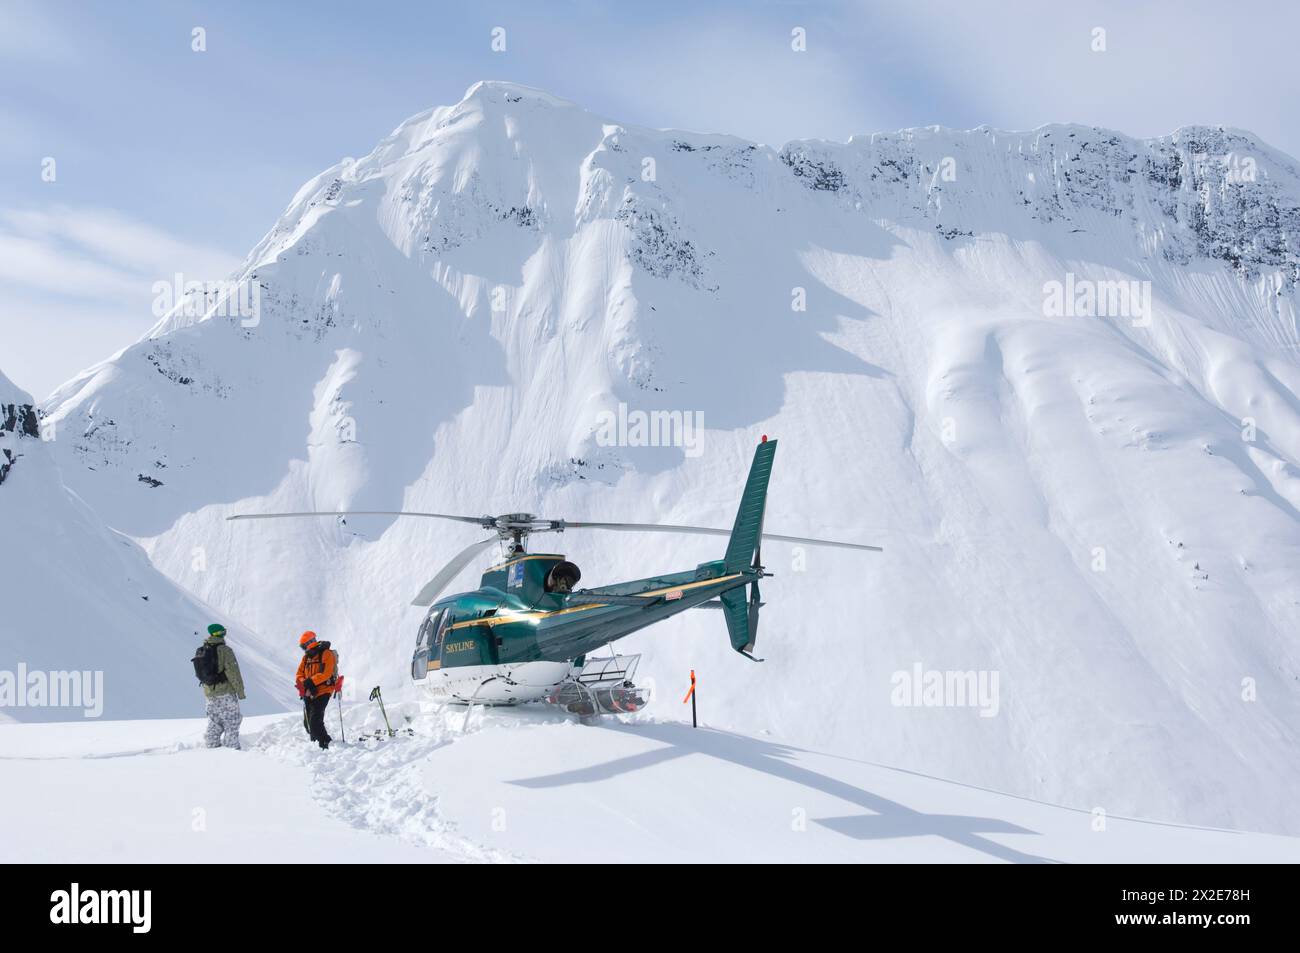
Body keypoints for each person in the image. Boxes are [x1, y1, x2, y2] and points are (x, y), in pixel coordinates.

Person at [194, 623, 245, 749]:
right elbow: (233, 673)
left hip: (209, 694)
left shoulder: (201, 650)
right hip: (225, 693)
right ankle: (231, 750)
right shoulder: (225, 650)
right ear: (219, 633)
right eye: (224, 632)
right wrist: (240, 691)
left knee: (214, 722)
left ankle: (211, 747)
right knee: (232, 721)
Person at [295, 631, 340, 749]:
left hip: (324, 690)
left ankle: (326, 743)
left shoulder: (326, 654)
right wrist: (307, 685)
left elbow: (326, 673)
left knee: (315, 720)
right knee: (309, 723)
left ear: (309, 643)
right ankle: (315, 744)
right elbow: (299, 674)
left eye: (304, 646)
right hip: (309, 692)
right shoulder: (306, 658)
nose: (303, 649)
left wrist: (310, 682)